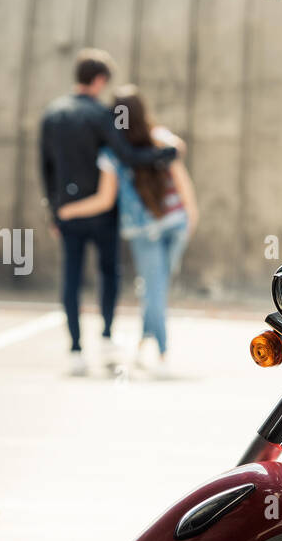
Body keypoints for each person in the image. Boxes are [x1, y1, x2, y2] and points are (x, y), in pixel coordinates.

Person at [39, 50, 177, 376]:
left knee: (71, 278)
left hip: (69, 213)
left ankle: (75, 348)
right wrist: (166, 153)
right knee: (108, 273)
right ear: (100, 80)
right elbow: (127, 155)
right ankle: (105, 335)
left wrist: (55, 212)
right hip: (103, 213)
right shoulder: (103, 116)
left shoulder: (53, 115)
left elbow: (46, 168)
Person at [55, 86, 198, 377]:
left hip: (145, 231)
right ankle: (154, 346)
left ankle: (159, 351)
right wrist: (191, 218)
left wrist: (68, 211)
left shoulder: (112, 155)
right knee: (157, 289)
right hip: (176, 223)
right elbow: (182, 180)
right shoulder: (159, 139)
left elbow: (104, 200)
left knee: (155, 290)